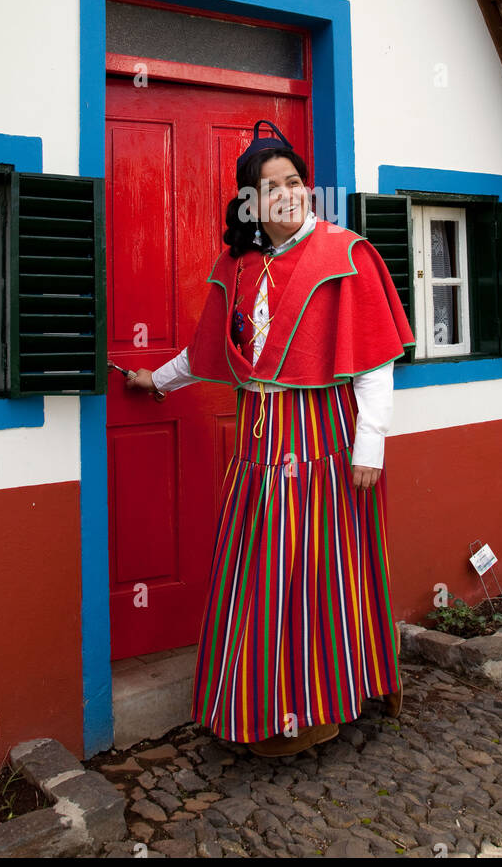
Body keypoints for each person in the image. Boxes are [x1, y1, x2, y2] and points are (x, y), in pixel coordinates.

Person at [126, 119, 415, 756]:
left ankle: (323, 703)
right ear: (249, 203)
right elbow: (205, 349)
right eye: (269, 186)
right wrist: (156, 381)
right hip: (258, 445)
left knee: (318, 571)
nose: (286, 193)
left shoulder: (345, 254)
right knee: (259, 572)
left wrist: (371, 445)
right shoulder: (238, 264)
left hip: (322, 442)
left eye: (294, 181)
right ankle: (261, 704)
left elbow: (373, 362)